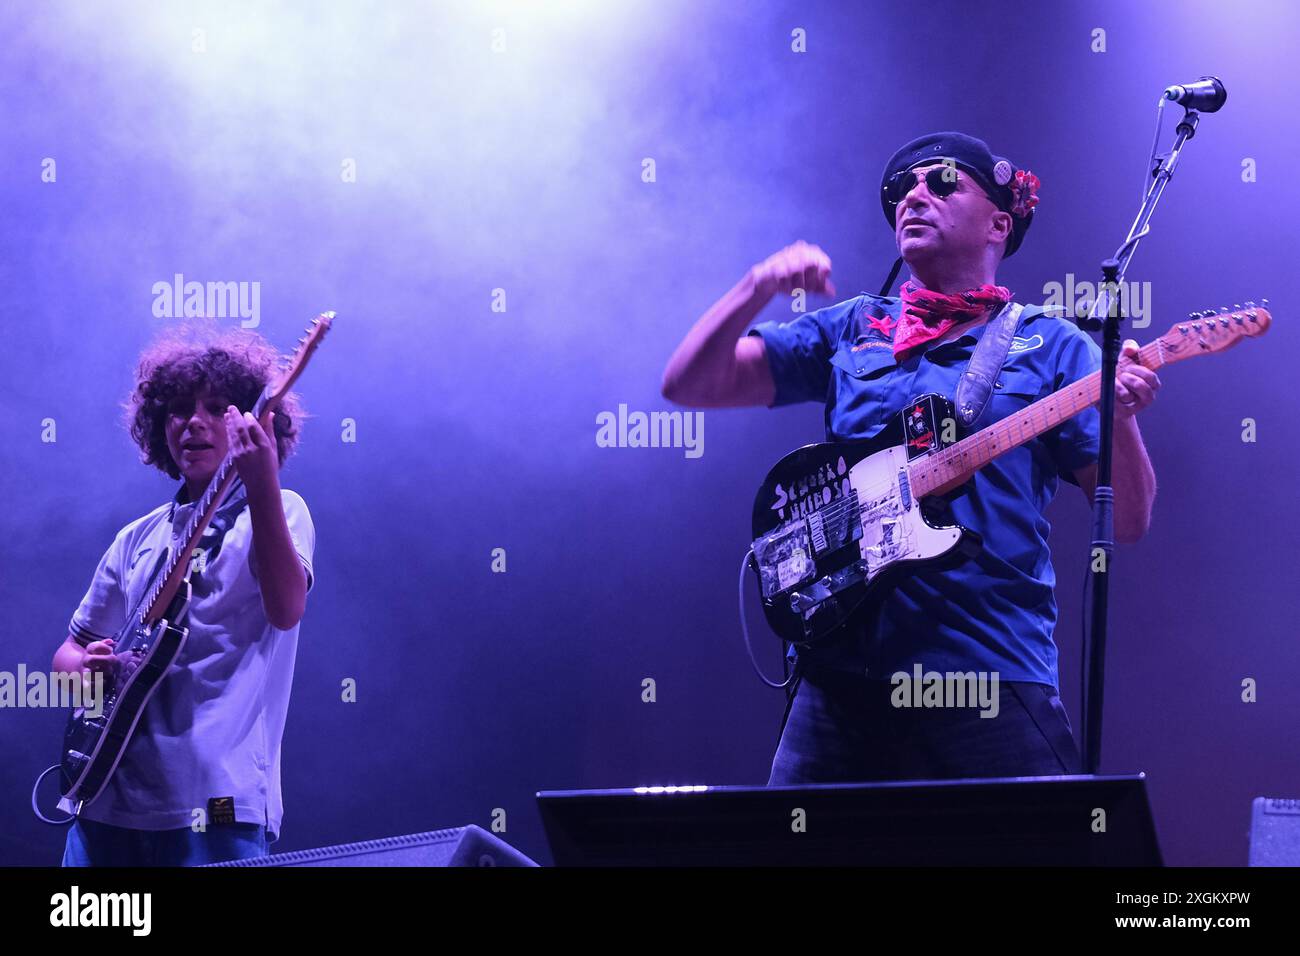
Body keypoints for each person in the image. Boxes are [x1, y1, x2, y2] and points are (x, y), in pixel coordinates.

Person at [662, 132, 1159, 785]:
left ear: (999, 223)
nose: (913, 197)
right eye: (902, 190)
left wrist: (1119, 418)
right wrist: (757, 286)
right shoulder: (851, 328)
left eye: (942, 183)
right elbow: (689, 385)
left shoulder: (1053, 345)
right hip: (840, 681)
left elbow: (1126, 520)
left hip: (988, 677)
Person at [53, 322, 315, 865]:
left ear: (252, 421)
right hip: (104, 804)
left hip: (217, 804)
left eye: (218, 407)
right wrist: (85, 671)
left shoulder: (282, 510)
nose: (194, 421)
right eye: (177, 409)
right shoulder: (137, 537)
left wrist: (262, 480)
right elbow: (69, 653)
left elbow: (287, 610)